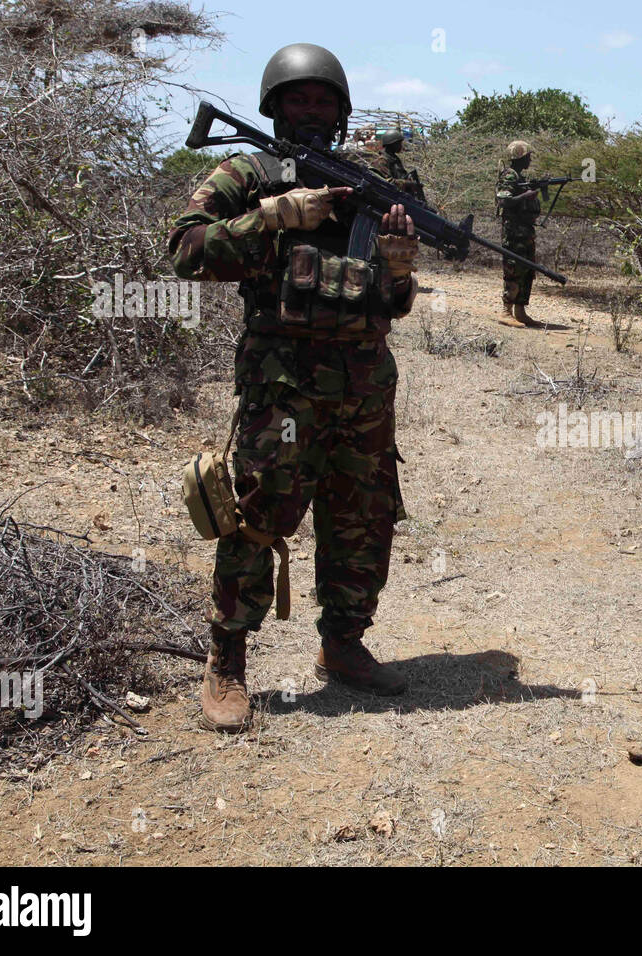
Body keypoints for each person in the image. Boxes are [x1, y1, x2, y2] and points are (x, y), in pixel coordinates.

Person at [168, 42, 419, 733]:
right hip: (282, 385)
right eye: (298, 100)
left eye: (324, 102)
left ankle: (343, 642)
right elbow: (187, 251)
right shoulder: (248, 171)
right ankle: (227, 661)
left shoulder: (369, 184)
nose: (311, 112)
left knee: (364, 513)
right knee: (257, 510)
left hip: (365, 385)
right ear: (274, 108)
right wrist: (277, 216)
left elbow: (392, 304)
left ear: (341, 113)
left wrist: (398, 270)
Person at [495, 140, 543, 324]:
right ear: (521, 157)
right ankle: (506, 311)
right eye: (528, 156)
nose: (530, 160)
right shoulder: (509, 176)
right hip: (513, 231)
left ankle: (520, 311)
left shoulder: (520, 177)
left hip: (525, 231)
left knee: (527, 269)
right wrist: (527, 195)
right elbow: (504, 201)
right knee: (513, 268)